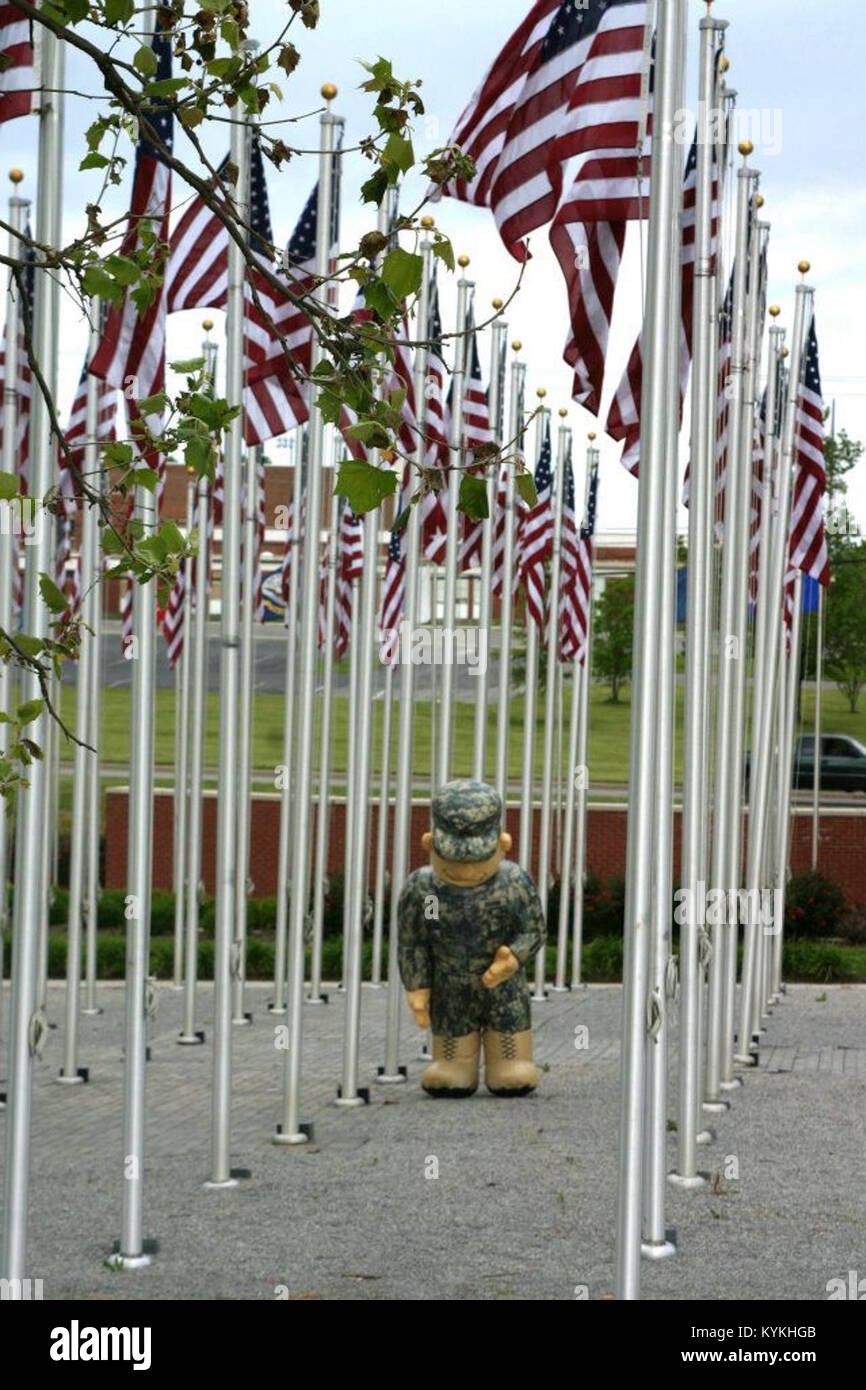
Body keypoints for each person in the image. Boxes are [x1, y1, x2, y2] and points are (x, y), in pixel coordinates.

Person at [397, 779, 546, 1098]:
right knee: (452, 1050)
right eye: (455, 860)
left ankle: (510, 1059)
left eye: (475, 860)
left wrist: (514, 957)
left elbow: (533, 929)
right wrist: (417, 986)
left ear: (503, 843)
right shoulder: (428, 891)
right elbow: (416, 940)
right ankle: (453, 1063)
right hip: (451, 987)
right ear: (429, 844)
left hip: (503, 988)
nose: (465, 871)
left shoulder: (513, 883)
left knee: (509, 1052)